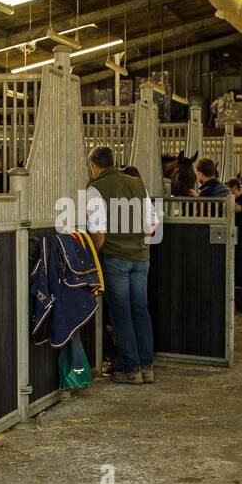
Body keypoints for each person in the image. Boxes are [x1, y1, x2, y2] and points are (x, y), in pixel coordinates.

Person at [85, 147, 158, 385]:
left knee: (121, 313)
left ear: (95, 166)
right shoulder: (137, 183)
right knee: (140, 310)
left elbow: (99, 232)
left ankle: (131, 369)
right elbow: (152, 225)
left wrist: (92, 255)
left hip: (116, 258)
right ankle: (147, 368)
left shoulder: (95, 187)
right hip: (141, 257)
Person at [227, 177, 242, 314]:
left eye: (232, 190)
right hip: (231, 239)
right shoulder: (235, 200)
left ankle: (240, 303)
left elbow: (237, 209)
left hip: (239, 240)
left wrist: (224, 197)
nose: (231, 192)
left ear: (238, 189)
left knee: (237, 270)